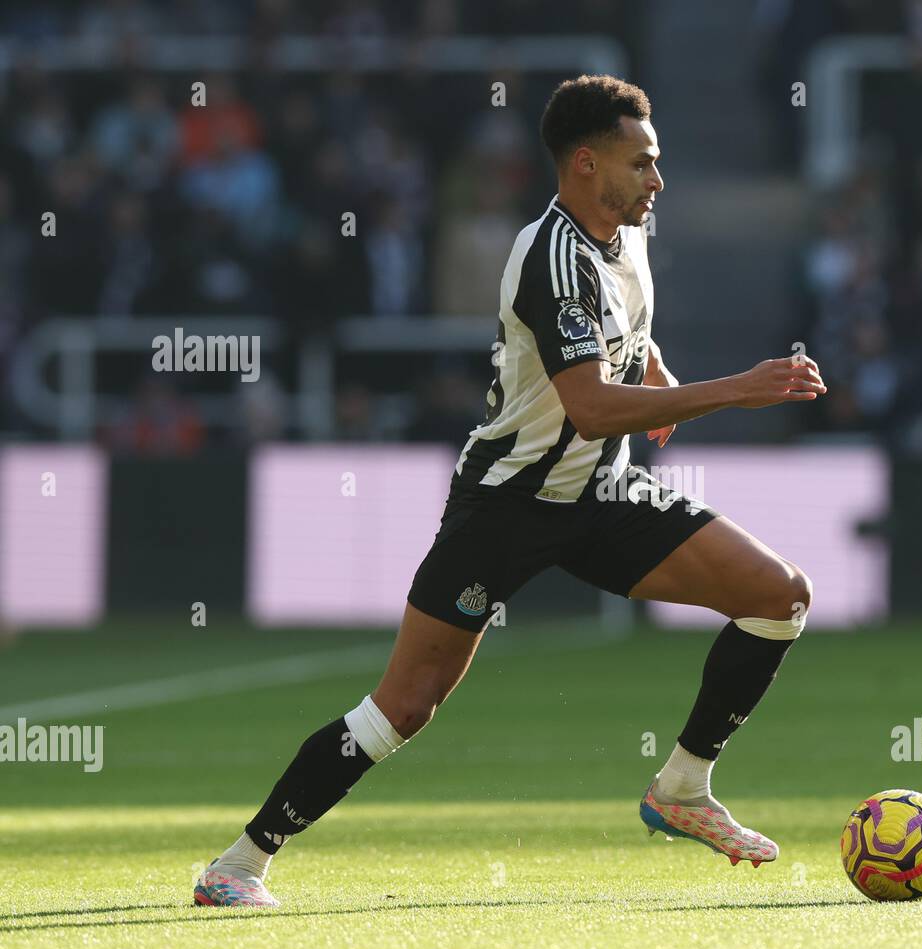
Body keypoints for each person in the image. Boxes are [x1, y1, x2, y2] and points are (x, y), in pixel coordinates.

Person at [194, 75, 826, 907]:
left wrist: (654, 363)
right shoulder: (549, 257)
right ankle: (240, 863)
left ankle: (681, 788)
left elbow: (621, 334)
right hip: (507, 505)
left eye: (658, 164)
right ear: (586, 165)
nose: (657, 181)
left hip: (601, 494)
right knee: (404, 709)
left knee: (778, 597)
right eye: (643, 165)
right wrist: (733, 388)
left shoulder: (627, 231)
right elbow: (592, 408)